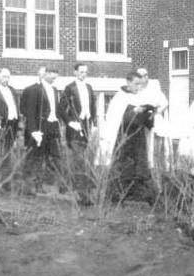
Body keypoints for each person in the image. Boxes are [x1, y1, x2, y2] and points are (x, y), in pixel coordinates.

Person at [103, 71, 156, 204]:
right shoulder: (119, 98)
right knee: (122, 167)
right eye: (136, 84)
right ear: (128, 83)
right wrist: (134, 111)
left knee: (141, 166)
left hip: (139, 138)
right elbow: (118, 120)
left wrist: (148, 114)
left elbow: (148, 122)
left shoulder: (141, 97)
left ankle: (147, 197)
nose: (138, 87)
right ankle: (116, 197)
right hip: (123, 138)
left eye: (140, 85)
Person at [22, 68, 63, 191]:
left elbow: (56, 109)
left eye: (55, 78)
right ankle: (35, 185)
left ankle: (53, 184)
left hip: (53, 126)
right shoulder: (35, 90)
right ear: (45, 75)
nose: (53, 80)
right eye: (51, 77)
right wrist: (33, 130)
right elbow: (30, 111)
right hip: (40, 127)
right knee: (37, 156)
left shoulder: (55, 90)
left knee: (55, 156)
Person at [135, 67, 169, 169]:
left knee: (155, 146)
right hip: (141, 122)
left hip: (154, 120)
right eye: (142, 76)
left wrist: (156, 112)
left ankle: (156, 167)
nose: (145, 78)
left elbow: (165, 103)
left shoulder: (154, 90)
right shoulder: (136, 91)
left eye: (146, 75)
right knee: (143, 147)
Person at [61, 63, 97, 153]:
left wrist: (94, 123)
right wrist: (70, 122)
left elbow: (93, 106)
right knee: (75, 149)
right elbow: (61, 107)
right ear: (75, 72)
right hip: (75, 122)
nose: (84, 74)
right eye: (81, 72)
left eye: (85, 72)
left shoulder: (89, 87)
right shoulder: (69, 88)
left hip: (87, 121)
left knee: (85, 147)